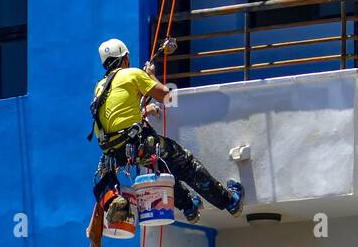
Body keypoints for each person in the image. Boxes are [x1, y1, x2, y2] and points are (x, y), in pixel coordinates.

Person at [90, 38, 243, 227]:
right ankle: (230, 201)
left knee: (163, 167)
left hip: (117, 153)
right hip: (138, 144)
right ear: (125, 59)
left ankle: (188, 206)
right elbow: (168, 97)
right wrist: (151, 76)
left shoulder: (100, 88)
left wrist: (145, 111)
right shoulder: (132, 75)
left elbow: (119, 118)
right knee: (184, 163)